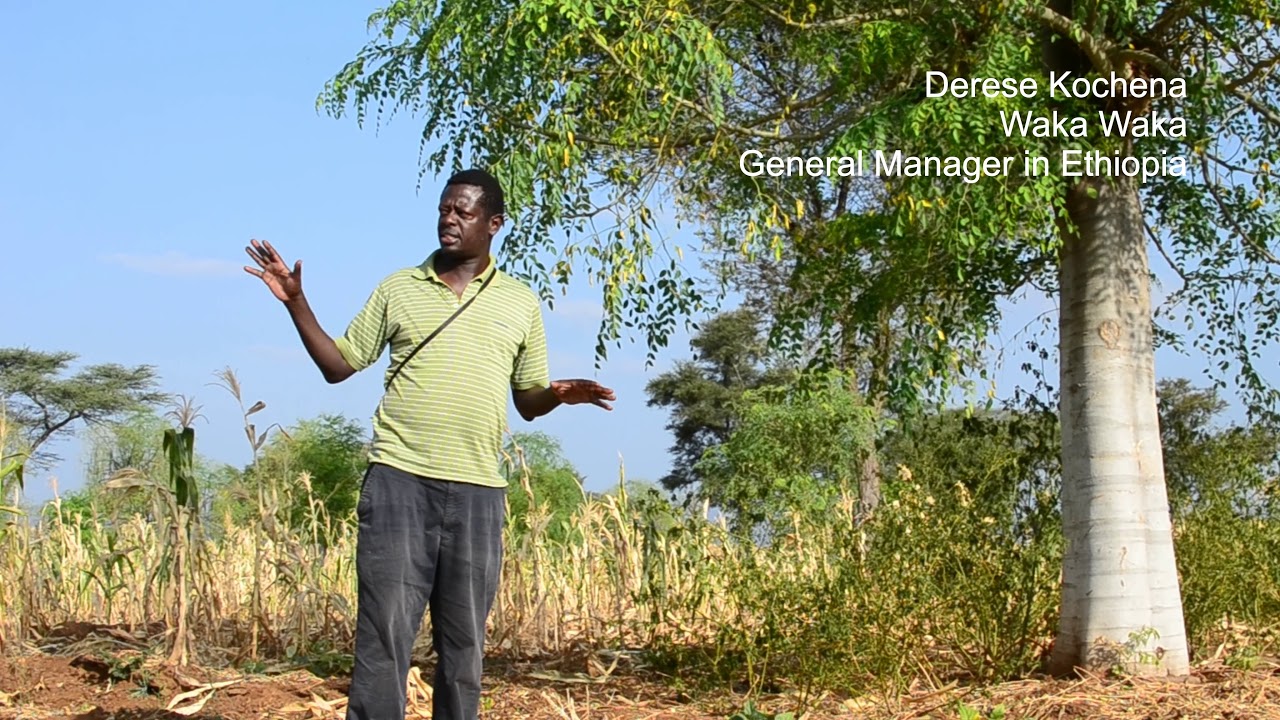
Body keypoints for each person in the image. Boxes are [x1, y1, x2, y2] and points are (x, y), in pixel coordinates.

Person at [244, 168, 616, 720]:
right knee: (383, 639)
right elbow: (338, 366)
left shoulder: (519, 303)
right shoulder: (399, 288)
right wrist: (296, 303)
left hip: (478, 493)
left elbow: (527, 401)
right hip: (398, 482)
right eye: (445, 209)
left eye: (464, 212)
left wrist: (558, 394)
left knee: (465, 649)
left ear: (493, 224)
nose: (449, 219)